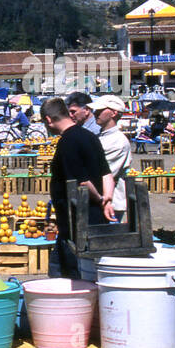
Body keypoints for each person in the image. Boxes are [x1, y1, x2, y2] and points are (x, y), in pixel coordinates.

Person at [42, 96, 114, 278]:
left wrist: (99, 200)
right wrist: (108, 200)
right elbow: (106, 173)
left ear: (49, 120)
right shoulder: (89, 136)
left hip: (76, 223)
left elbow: (82, 182)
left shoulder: (67, 143)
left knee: (71, 275)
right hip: (92, 218)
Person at [92, 95, 132, 222]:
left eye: (100, 110)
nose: (95, 113)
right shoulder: (100, 136)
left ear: (114, 113)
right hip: (98, 199)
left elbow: (103, 173)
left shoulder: (118, 142)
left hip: (111, 203)